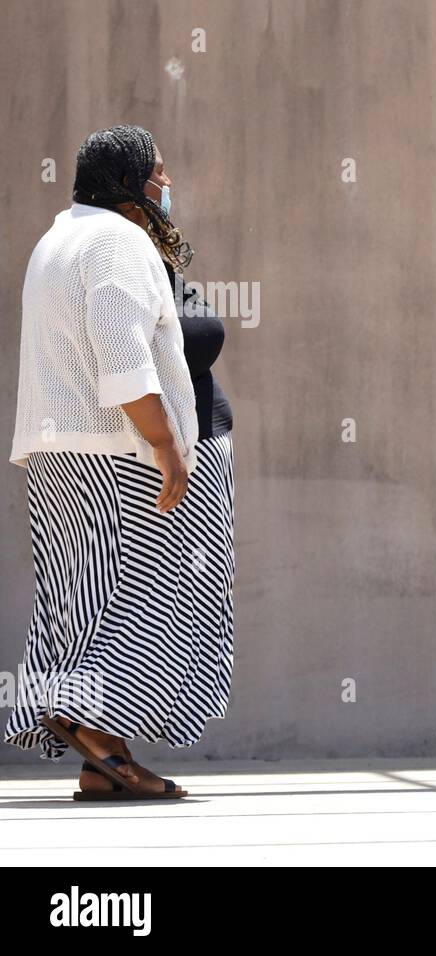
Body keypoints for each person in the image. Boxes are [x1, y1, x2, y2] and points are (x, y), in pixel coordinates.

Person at [5, 125, 235, 800]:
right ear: (129, 181)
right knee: (144, 601)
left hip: (66, 458)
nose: (166, 183)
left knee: (83, 602)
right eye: (156, 172)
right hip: (120, 458)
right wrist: (166, 445)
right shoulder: (116, 241)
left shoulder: (61, 238)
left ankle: (103, 763)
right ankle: (93, 729)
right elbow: (122, 356)